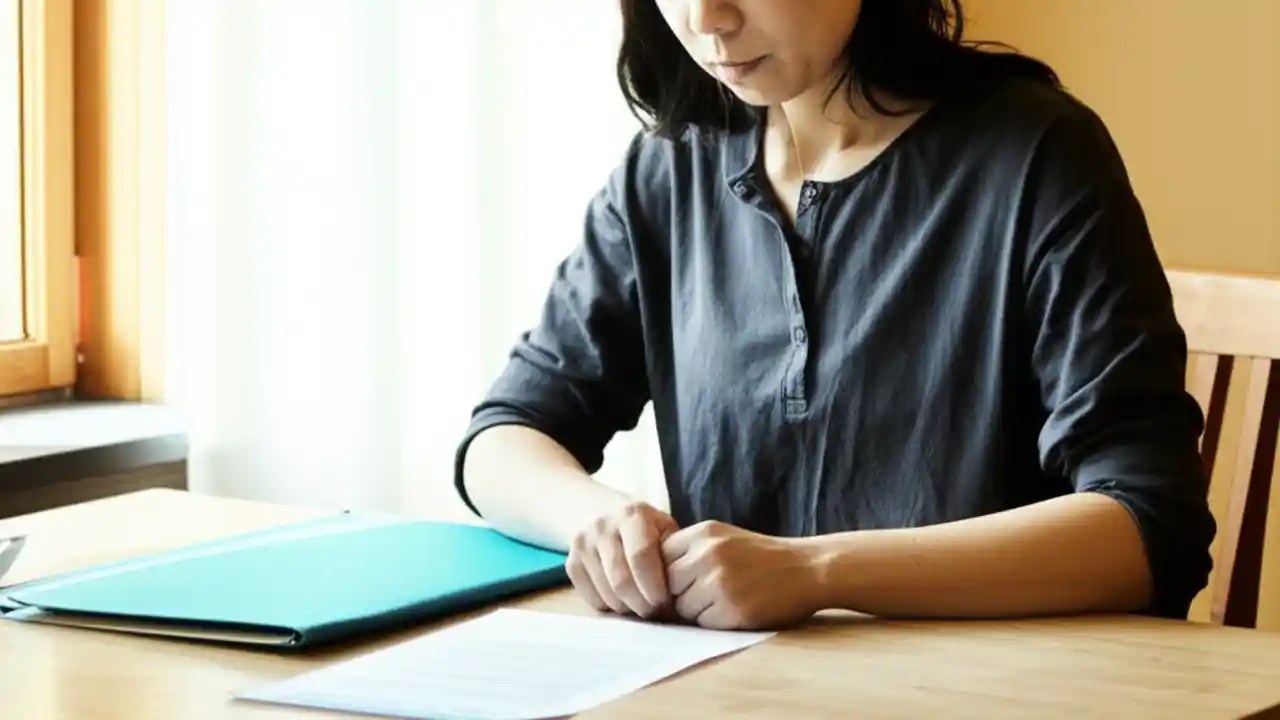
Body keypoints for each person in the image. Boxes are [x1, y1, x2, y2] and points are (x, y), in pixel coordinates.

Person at [454, 0, 1215, 630]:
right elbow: (505, 437)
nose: (705, 18)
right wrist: (602, 523)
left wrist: (817, 572)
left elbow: (1146, 525)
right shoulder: (671, 167)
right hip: (742, 694)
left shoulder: (1037, 156)